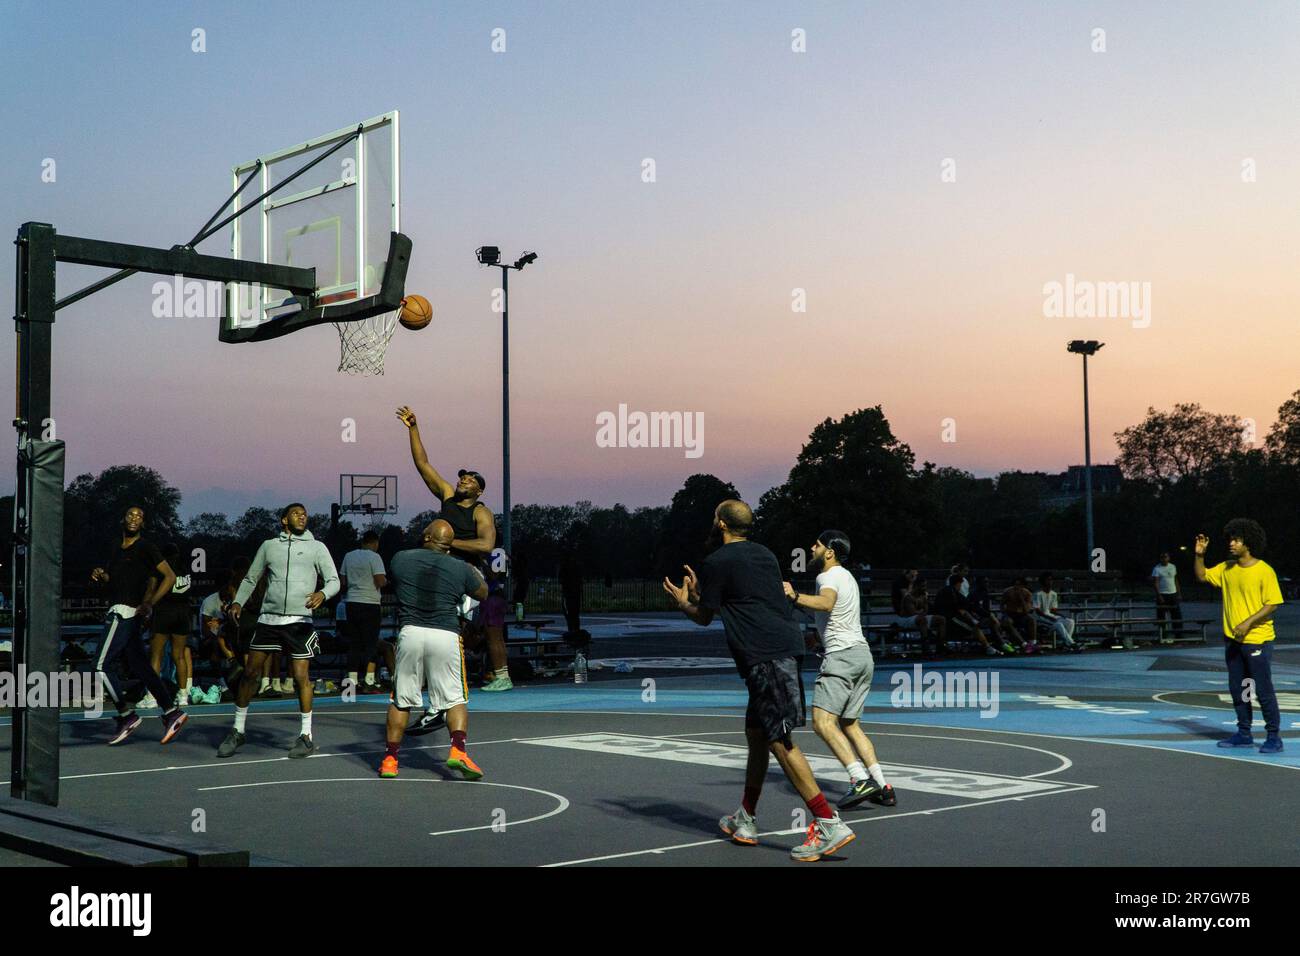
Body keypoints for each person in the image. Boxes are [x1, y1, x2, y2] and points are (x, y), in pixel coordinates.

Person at [663, 499, 854, 863]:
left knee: (780, 740)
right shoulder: (763, 554)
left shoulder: (718, 561)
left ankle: (829, 823)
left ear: (720, 523)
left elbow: (704, 617)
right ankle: (746, 818)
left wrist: (683, 602)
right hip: (781, 647)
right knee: (757, 735)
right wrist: (703, 594)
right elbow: (741, 600)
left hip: (765, 657)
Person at [396, 405, 497, 730]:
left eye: (471, 479)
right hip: (439, 571)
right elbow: (423, 464)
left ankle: (447, 701)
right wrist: (413, 428)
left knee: (452, 638)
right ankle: (437, 704)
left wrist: (447, 544)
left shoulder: (481, 512)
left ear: (479, 490)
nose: (463, 480)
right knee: (428, 636)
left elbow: (486, 547)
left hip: (465, 575)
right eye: (462, 477)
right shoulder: (448, 496)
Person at [784, 530, 896, 810]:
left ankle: (859, 779)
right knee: (850, 724)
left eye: (817, 544)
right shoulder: (847, 577)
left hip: (842, 658)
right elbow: (834, 613)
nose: (811, 547)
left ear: (830, 552)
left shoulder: (827, 576)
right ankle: (883, 785)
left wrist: (794, 595)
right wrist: (818, 636)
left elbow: (826, 603)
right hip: (861, 656)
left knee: (823, 722)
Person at [217, 503, 340, 759]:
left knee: (300, 677)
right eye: (296, 513)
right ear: (284, 520)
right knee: (250, 673)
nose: (302, 516)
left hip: (299, 621)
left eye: (304, 513)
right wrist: (238, 601)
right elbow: (251, 578)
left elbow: (334, 580)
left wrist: (323, 593)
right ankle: (238, 730)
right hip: (269, 620)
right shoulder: (269, 546)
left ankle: (306, 737)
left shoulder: (317, 548)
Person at [379, 520, 489, 779]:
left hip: (411, 633)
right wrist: (469, 573)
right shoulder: (460, 567)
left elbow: (391, 580)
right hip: (445, 634)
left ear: (426, 536)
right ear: (449, 546)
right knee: (455, 699)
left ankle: (390, 759)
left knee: (401, 699)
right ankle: (458, 751)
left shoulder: (400, 559)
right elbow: (483, 592)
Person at [90, 505, 187, 745]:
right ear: (123, 518)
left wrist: (150, 603)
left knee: (101, 664)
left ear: (143, 524)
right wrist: (101, 576)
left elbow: (170, 576)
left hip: (125, 611)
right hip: (121, 609)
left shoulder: (146, 547)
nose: (134, 518)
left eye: (139, 516)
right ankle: (171, 712)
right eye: (130, 514)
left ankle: (126, 715)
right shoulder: (115, 547)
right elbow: (113, 580)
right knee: (142, 667)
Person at [1194, 521, 1284, 754]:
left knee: (1262, 690)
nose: (1231, 544)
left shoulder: (1264, 570)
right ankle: (1244, 733)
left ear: (1249, 542)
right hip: (1233, 641)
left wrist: (1247, 622)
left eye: (1237, 540)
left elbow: (1273, 603)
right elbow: (1202, 576)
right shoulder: (1227, 568)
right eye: (1230, 539)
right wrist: (1199, 556)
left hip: (1257, 640)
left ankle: (1274, 736)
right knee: (1239, 687)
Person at [339, 531, 389, 695]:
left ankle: (350, 684)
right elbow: (380, 580)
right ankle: (369, 681)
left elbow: (343, 581)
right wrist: (387, 582)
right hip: (370, 603)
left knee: (354, 644)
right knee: (370, 644)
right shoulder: (375, 557)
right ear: (375, 543)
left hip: (351, 602)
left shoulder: (348, 556)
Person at [149, 543, 197, 708]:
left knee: (156, 655)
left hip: (164, 611)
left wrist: (148, 604)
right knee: (180, 656)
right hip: (183, 613)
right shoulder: (186, 570)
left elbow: (152, 588)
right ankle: (183, 694)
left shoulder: (162, 569)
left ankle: (152, 696)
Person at [934, 574, 1002, 655]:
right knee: (975, 627)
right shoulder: (952, 592)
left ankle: (988, 646)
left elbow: (966, 605)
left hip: (945, 617)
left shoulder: (947, 591)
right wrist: (987, 615)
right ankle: (988, 648)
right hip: (950, 618)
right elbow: (967, 606)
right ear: (958, 583)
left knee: (974, 624)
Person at [1033, 573, 1080, 652]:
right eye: (1047, 580)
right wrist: (1050, 618)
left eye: (1051, 580)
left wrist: (1061, 616)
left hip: (1050, 616)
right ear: (1042, 582)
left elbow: (1053, 610)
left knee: (1070, 621)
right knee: (1058, 624)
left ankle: (1066, 643)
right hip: (1040, 618)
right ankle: (1071, 643)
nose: (1050, 582)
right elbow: (1037, 611)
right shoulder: (1037, 594)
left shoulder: (1054, 594)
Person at [1150, 552, 1183, 643]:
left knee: (1176, 615)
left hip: (1172, 593)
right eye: (1162, 557)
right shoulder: (1157, 569)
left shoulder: (1173, 567)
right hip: (1163, 593)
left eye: (1165, 557)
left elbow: (1175, 580)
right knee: (1161, 615)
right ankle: (1163, 634)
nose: (1164, 559)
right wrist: (1159, 595)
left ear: (1169, 558)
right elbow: (1155, 582)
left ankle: (1178, 634)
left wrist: (1178, 593)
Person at [1000, 578, 1039, 654]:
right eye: (1015, 584)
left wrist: (1021, 599)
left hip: (1022, 615)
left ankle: (1032, 644)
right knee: (1007, 622)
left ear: (1023, 586)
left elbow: (1027, 611)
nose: (1016, 587)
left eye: (1019, 585)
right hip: (1010, 614)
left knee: (1031, 619)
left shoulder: (1027, 593)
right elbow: (1002, 604)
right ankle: (1024, 644)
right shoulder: (1008, 592)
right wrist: (1004, 613)